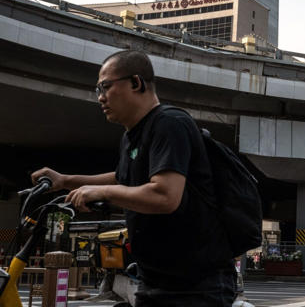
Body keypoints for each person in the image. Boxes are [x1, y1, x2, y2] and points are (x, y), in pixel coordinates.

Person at [31, 50, 234, 306]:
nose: (101, 98)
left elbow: (165, 196)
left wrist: (102, 193)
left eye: (105, 87)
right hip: (155, 279)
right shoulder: (132, 136)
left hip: (195, 284)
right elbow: (121, 179)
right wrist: (66, 180)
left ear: (136, 83)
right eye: (98, 91)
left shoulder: (170, 124)